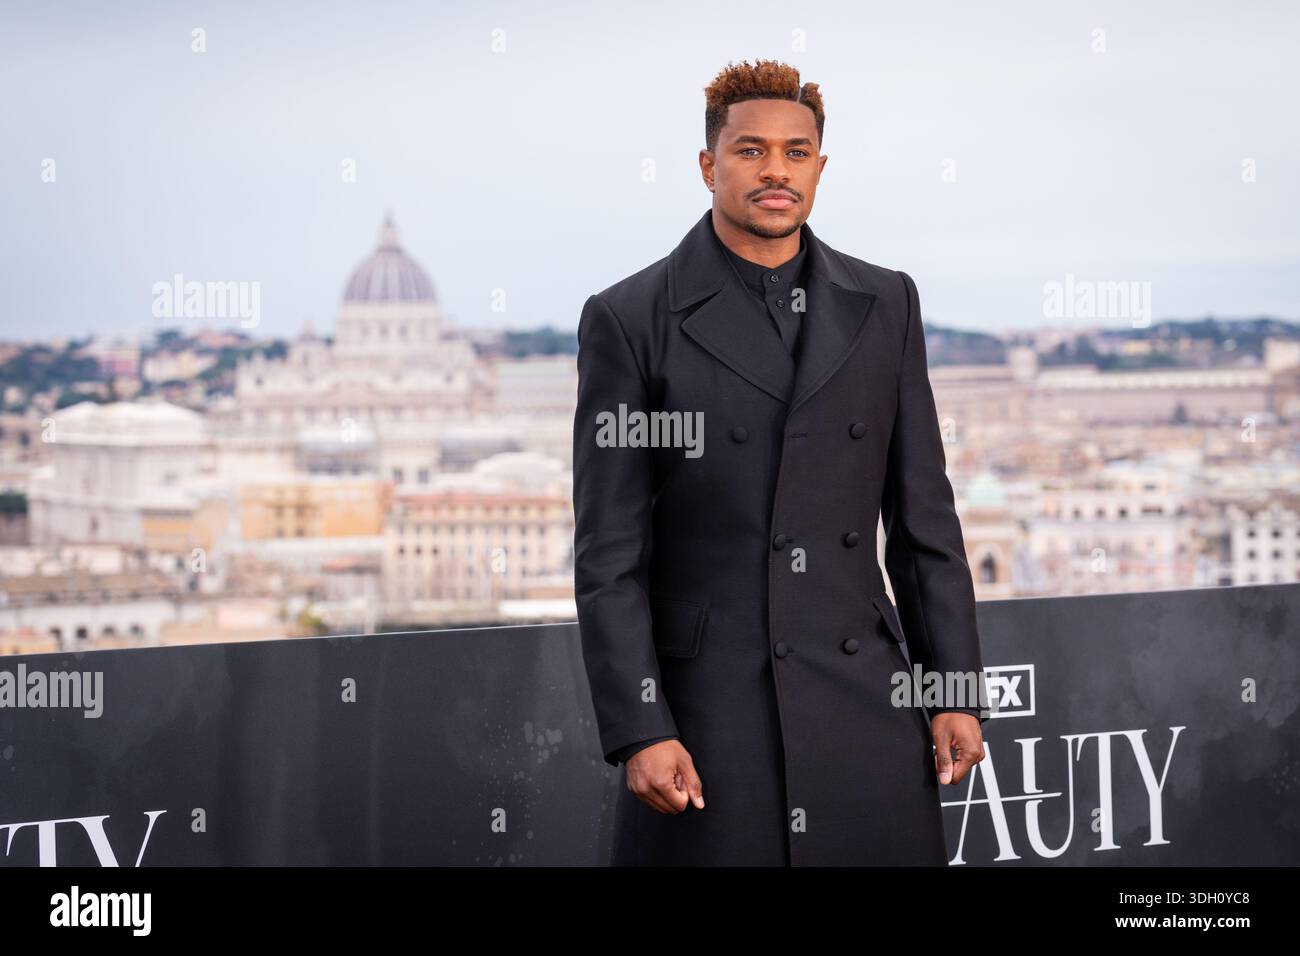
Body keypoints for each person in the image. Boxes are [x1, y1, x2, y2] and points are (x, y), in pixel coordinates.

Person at [572, 58, 987, 865]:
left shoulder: (887, 302)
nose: (775, 171)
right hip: (708, 716)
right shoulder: (629, 318)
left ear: (820, 169)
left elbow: (925, 521)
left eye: (797, 153)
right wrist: (640, 729)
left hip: (866, 698)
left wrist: (953, 689)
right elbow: (610, 555)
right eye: (750, 150)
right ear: (707, 165)